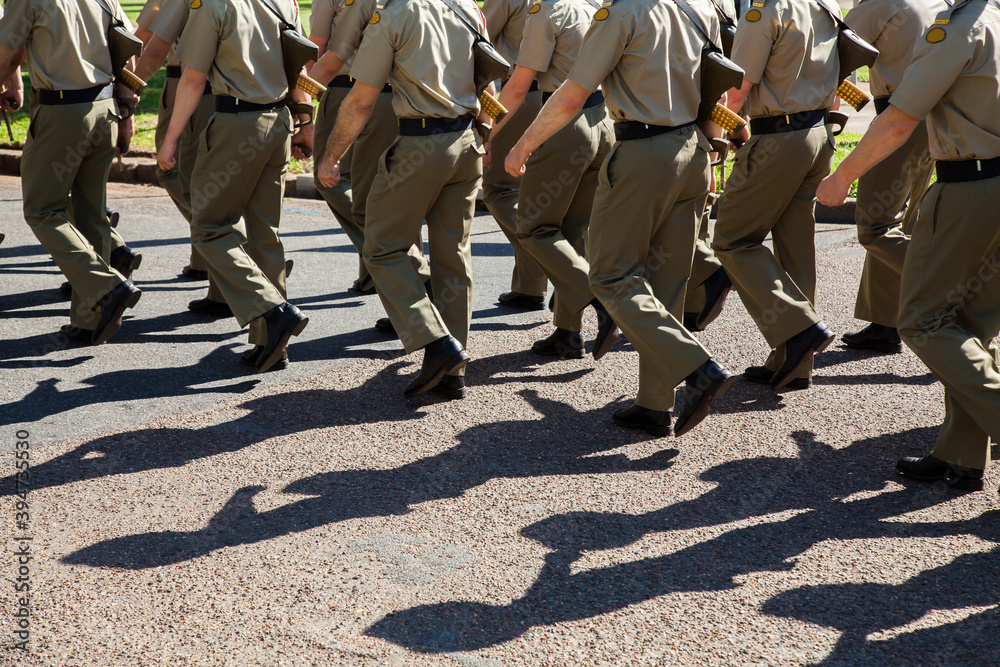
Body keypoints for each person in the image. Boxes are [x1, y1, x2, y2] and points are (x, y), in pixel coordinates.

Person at [506, 0, 737, 437]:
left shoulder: (621, 14)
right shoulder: (699, 7)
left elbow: (573, 93)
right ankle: (654, 404)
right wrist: (713, 148)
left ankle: (698, 368)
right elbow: (717, 89)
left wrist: (524, 145)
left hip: (643, 153)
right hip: (691, 149)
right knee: (667, 281)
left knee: (611, 277)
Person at [818, 0, 1000, 493]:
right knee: (971, 326)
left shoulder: (958, 30)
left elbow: (900, 121)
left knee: (922, 321)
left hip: (970, 186)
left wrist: (840, 178)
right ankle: (960, 455)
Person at [317, 0, 488, 399]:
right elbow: (489, 82)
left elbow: (361, 101)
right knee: (453, 255)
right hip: (467, 140)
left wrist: (331, 157)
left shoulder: (394, 14)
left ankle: (437, 343)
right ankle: (453, 371)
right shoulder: (467, 8)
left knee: (381, 247)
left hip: (420, 143)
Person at [157, 0, 312, 372]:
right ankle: (271, 343)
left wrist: (170, 140)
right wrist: (305, 119)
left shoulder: (212, 5)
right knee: (265, 233)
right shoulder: (285, 3)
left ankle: (273, 312)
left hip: (237, 122)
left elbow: (193, 80)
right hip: (278, 121)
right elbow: (299, 70)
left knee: (209, 227)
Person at [712, 0, 841, 391]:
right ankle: (795, 363)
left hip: (778, 138)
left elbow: (736, 92)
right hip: (817, 133)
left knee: (732, 240)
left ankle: (800, 330)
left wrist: (719, 138)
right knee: (796, 247)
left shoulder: (763, 12)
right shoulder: (825, 3)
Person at [0, 0, 142, 346]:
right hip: (104, 107)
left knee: (42, 209)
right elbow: (128, 50)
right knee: (90, 212)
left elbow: (7, 52)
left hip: (62, 111)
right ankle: (90, 318)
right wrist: (126, 110)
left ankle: (105, 286)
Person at [498, 0, 618, 361]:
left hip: (566, 122)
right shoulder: (595, 5)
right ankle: (568, 333)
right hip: (603, 121)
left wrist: (491, 131)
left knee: (533, 227)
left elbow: (519, 86)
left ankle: (600, 301)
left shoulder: (546, 12)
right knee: (573, 232)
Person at [309, 0, 432, 329]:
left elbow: (324, 53)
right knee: (385, 191)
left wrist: (299, 95)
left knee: (341, 184)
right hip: (400, 95)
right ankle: (377, 270)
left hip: (349, 90)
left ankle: (405, 274)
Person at [840, 0, 944, 353]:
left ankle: (954, 287)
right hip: (929, 120)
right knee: (900, 223)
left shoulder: (880, 3)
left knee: (876, 226)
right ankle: (886, 323)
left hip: (897, 120)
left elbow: (836, 49)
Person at [134, 0, 232, 316]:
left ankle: (227, 256)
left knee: (180, 173)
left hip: (189, 83)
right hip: (237, 91)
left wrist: (128, 88)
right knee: (213, 182)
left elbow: (150, 43)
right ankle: (205, 258)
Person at [482, 0, 549, 310]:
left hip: (518, 97)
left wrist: (486, 131)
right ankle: (529, 285)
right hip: (557, 98)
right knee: (530, 190)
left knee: (499, 189)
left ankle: (550, 258)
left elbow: (478, 38)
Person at [682, 0, 737, 333]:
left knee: (674, 220)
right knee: (693, 214)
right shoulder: (714, 6)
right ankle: (690, 307)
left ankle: (699, 287)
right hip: (703, 115)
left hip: (675, 117)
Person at [306, 0, 365, 293]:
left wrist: (300, 100)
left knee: (330, 177)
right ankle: (374, 272)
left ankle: (390, 255)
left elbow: (317, 50)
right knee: (372, 183)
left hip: (343, 87)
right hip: (388, 93)